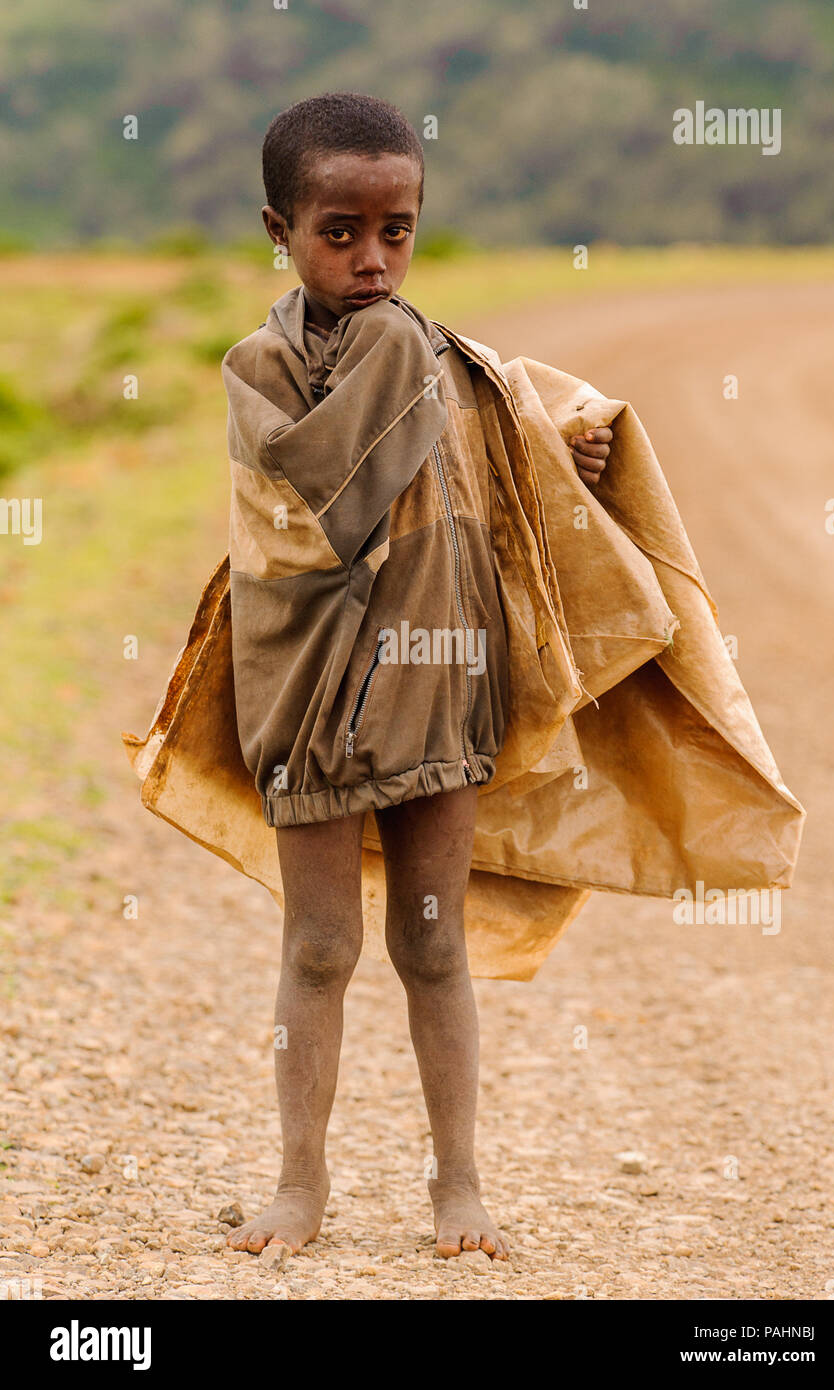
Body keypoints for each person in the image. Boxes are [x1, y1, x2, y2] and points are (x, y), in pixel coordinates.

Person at [221, 92, 611, 1262]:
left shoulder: (446, 358)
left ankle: (460, 1186)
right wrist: (433, 369)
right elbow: (317, 520)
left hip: (442, 685)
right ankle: (299, 1188)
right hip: (307, 698)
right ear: (278, 228)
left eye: (397, 229)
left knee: (434, 945)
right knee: (319, 947)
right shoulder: (262, 368)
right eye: (338, 230)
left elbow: (508, 441)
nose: (372, 258)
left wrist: (557, 441)